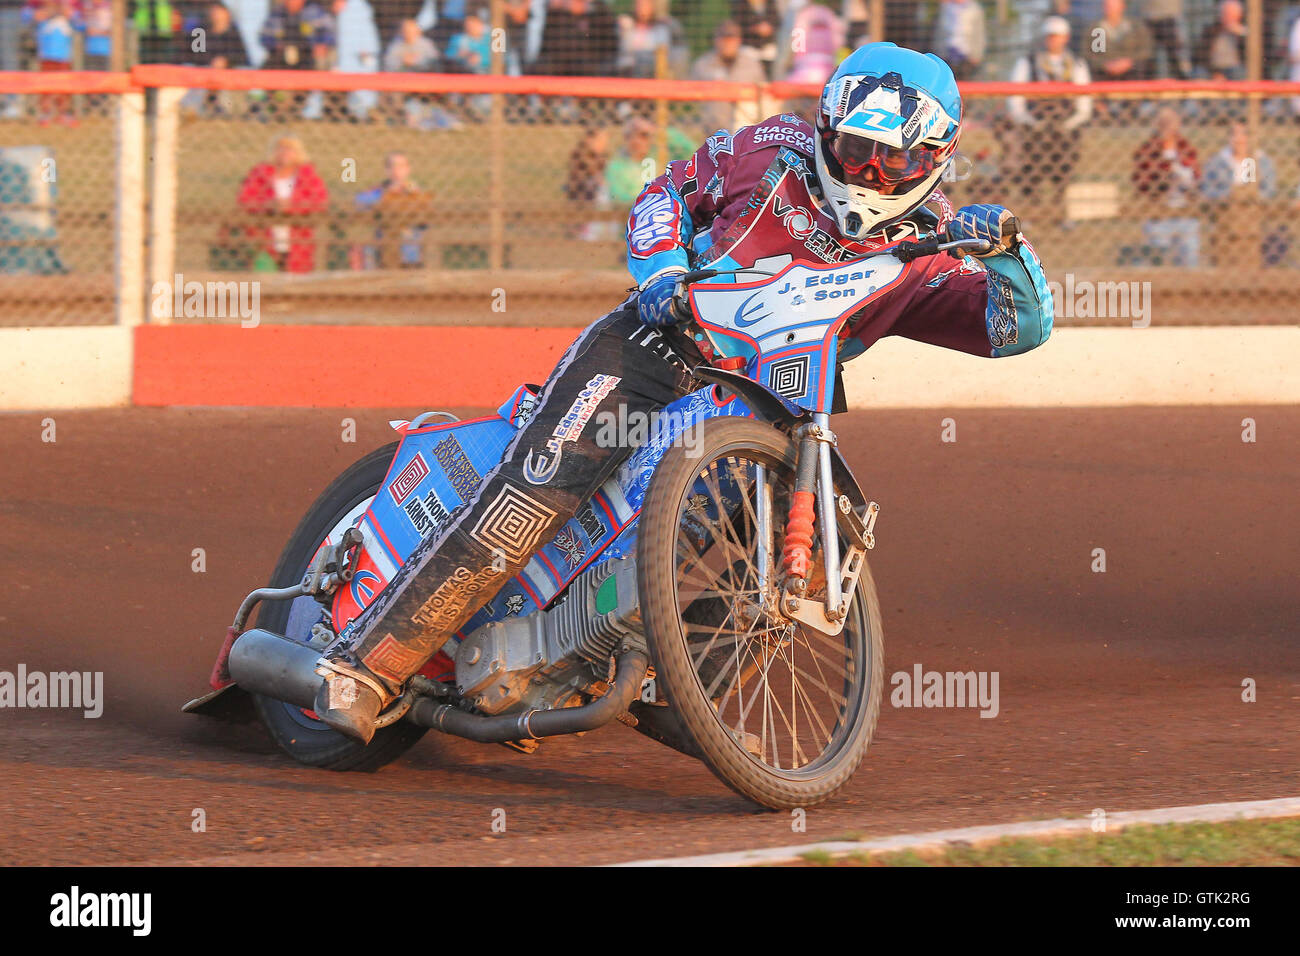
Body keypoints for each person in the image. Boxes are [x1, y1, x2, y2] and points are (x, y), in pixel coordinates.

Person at [306, 42, 1054, 743]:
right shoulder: (769, 149)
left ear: (935, 158)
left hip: (767, 403)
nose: (866, 173)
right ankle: (367, 665)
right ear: (826, 129)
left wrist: (1012, 251)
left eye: (891, 161)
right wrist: (662, 271)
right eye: (854, 149)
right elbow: (666, 189)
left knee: (758, 541)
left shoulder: (935, 241)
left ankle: (683, 703)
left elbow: (1016, 327)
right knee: (540, 487)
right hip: (657, 344)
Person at [1006, 17, 1091, 205]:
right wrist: (1031, 122)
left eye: (1058, 36)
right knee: (1032, 154)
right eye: (1050, 36)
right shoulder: (1028, 62)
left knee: (1065, 154)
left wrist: (1067, 125)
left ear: (1066, 38)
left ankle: (1059, 197)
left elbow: (1084, 105)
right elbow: (1015, 100)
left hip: (1065, 126)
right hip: (1034, 125)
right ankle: (1032, 198)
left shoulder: (1076, 64)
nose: (1053, 41)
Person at [235, 134, 330, 272]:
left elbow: (320, 201)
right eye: (280, 148)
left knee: (295, 285)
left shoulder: (308, 175)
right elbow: (244, 199)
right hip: (265, 239)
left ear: (298, 153)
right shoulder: (260, 173)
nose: (285, 153)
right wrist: (268, 205)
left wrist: (293, 206)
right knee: (265, 283)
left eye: (290, 149)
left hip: (298, 239)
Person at [1131, 107, 1200, 266]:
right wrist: (1164, 172)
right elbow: (1141, 181)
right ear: (1156, 125)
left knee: (1190, 261)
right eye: (1163, 122)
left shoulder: (1185, 147)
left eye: (1171, 122)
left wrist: (1183, 175)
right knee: (1158, 262)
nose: (1168, 126)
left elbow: (1196, 177)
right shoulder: (1148, 149)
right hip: (1159, 215)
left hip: (1185, 212)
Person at [354, 151, 432, 268]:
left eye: (401, 166)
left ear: (408, 169)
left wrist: (407, 196)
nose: (396, 170)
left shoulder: (415, 192)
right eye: (392, 166)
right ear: (386, 170)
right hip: (384, 241)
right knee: (368, 248)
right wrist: (386, 196)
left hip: (409, 245)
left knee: (409, 237)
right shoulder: (380, 190)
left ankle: (410, 267)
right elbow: (359, 200)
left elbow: (426, 215)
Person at [691, 19, 766, 132]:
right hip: (709, 132)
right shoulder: (702, 65)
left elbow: (765, 98)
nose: (727, 43)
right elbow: (690, 104)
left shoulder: (752, 65)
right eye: (723, 38)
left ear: (739, 40)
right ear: (715, 40)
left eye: (731, 38)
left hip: (747, 131)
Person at [1087, 0, 1152, 81]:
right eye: (1108, 5)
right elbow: (1089, 54)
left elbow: (1146, 50)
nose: (1110, 8)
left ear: (1123, 6)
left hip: (1132, 74)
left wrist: (1129, 62)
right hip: (1103, 75)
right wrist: (1105, 65)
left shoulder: (1136, 27)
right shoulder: (1096, 28)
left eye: (1114, 5)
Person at [931, 0, 986, 80]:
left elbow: (979, 33)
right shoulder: (945, 7)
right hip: (947, 54)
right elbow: (938, 32)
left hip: (967, 55)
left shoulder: (974, 9)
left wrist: (977, 54)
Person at [1196, 0, 1247, 80]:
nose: (1229, 18)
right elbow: (1201, 56)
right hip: (1212, 68)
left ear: (1239, 16)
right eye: (1226, 14)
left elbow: (1249, 57)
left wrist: (1241, 34)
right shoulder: (1211, 31)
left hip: (1233, 69)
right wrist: (1215, 73)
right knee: (1199, 73)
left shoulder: (1243, 33)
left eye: (1232, 15)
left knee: (1238, 73)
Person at [1143, 0, 1188, 79]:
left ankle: (1183, 82)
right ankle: (1147, 84)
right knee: (1147, 57)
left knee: (1176, 56)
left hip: (1171, 15)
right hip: (1150, 16)